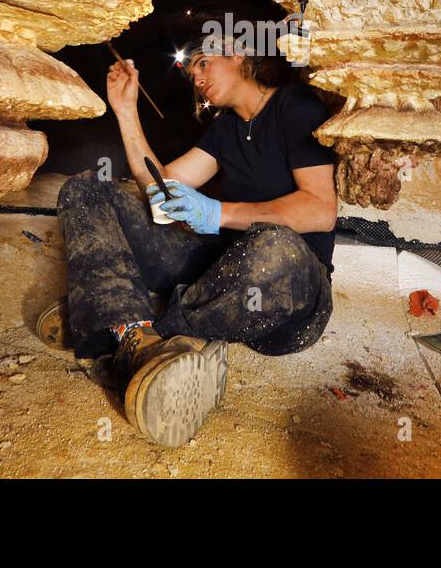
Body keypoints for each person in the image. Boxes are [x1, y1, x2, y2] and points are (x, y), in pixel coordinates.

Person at [47, 34, 338, 447]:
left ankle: (122, 325)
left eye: (203, 63)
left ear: (237, 53)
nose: (196, 77)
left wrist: (218, 213)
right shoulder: (225, 129)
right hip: (219, 268)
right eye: (191, 71)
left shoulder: (294, 106)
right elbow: (162, 191)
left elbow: (319, 210)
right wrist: (126, 110)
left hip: (289, 292)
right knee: (87, 189)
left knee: (276, 245)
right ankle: (134, 330)